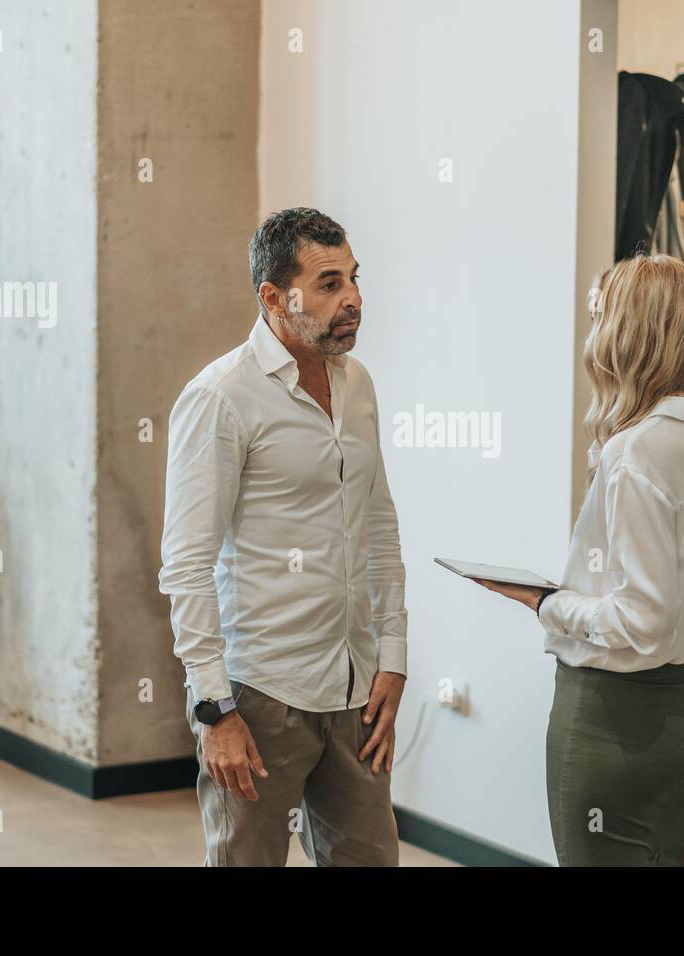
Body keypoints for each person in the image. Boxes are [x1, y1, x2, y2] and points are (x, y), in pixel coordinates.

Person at [474, 254, 684, 866]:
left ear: (626, 335)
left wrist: (549, 603)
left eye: (601, 317)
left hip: (617, 714)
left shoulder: (639, 450)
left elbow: (641, 618)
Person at [159, 207, 408, 866]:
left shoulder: (358, 386)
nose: (352, 299)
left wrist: (395, 651)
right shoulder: (221, 398)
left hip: (354, 685)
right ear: (274, 296)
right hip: (261, 694)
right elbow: (186, 565)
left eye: (354, 279)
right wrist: (215, 709)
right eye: (329, 284)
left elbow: (378, 522)